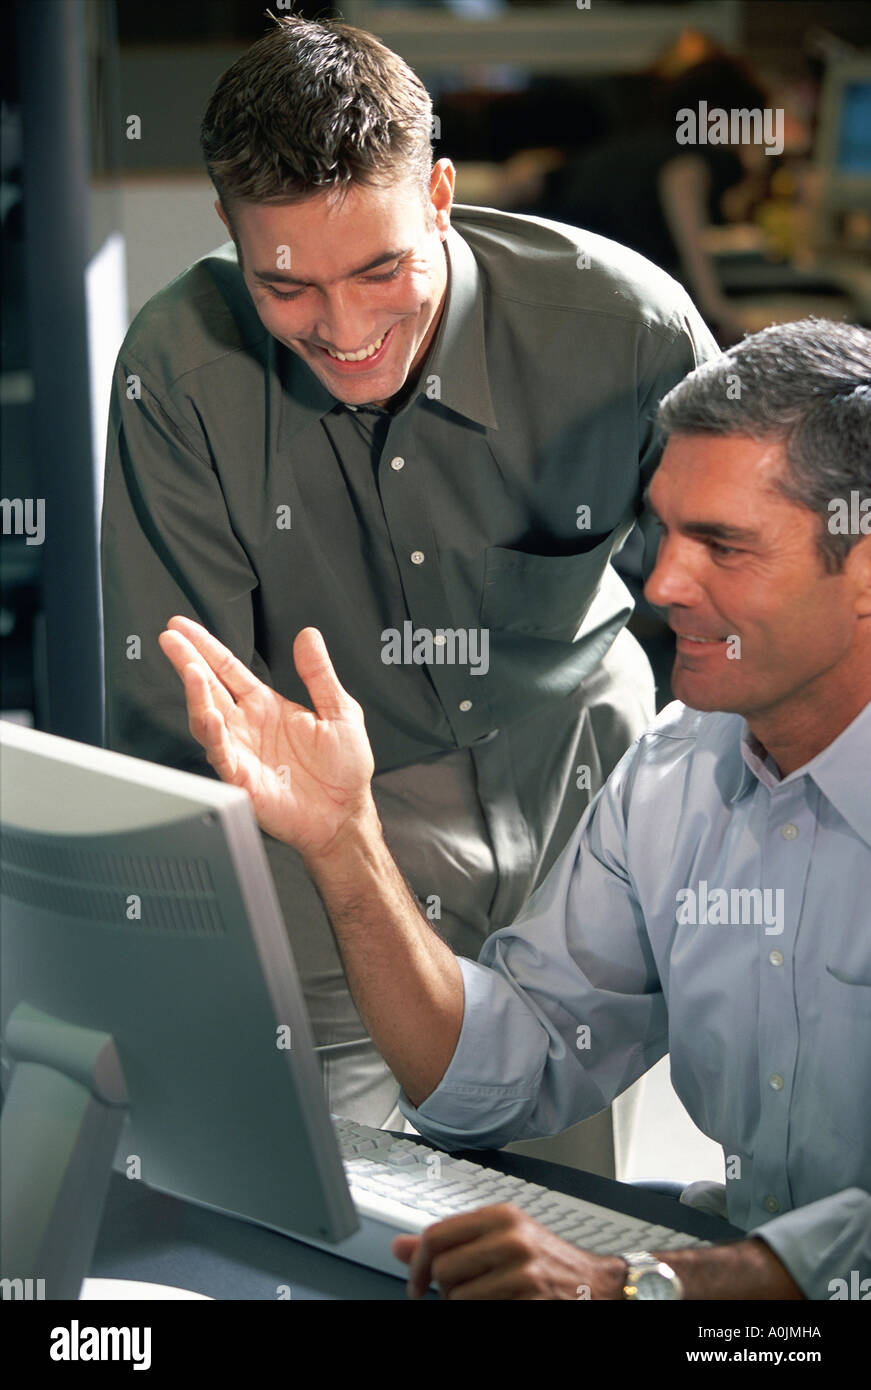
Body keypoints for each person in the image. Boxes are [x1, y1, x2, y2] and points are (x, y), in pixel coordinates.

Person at [101, 14, 717, 1147]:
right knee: (334, 1199)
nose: (344, 332)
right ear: (230, 234)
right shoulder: (177, 371)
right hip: (320, 827)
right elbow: (175, 710)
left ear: (438, 193)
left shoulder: (625, 329)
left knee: (560, 1212)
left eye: (382, 267)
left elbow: (727, 606)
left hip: (579, 792)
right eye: (285, 285)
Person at [158, 319, 871, 1300]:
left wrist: (639, 1286)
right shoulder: (677, 772)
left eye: (724, 545)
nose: (660, 583)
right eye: (664, 529)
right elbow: (514, 1060)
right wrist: (344, 841)